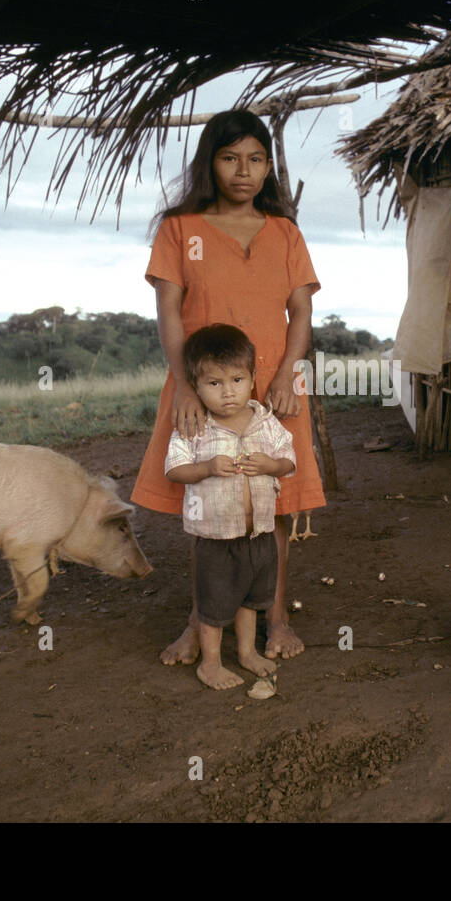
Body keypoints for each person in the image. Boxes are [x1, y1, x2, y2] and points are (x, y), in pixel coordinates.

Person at [131, 109, 325, 664]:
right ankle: (201, 621)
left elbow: (301, 310)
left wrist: (289, 373)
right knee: (208, 496)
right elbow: (169, 314)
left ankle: (278, 617)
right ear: (209, 163)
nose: (244, 171)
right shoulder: (180, 230)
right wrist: (186, 388)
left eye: (256, 159)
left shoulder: (286, 233)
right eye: (230, 157)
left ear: (268, 168)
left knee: (277, 501)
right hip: (206, 385)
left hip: (276, 381)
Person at [164, 324, 296, 690]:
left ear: (253, 378)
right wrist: (205, 468)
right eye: (214, 383)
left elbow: (288, 459)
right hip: (216, 536)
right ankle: (209, 663)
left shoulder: (265, 423)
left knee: (250, 599)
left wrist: (270, 466)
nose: (228, 393)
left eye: (237, 379)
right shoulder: (196, 427)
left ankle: (246, 652)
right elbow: (174, 469)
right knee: (213, 603)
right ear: (196, 384)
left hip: (259, 533)